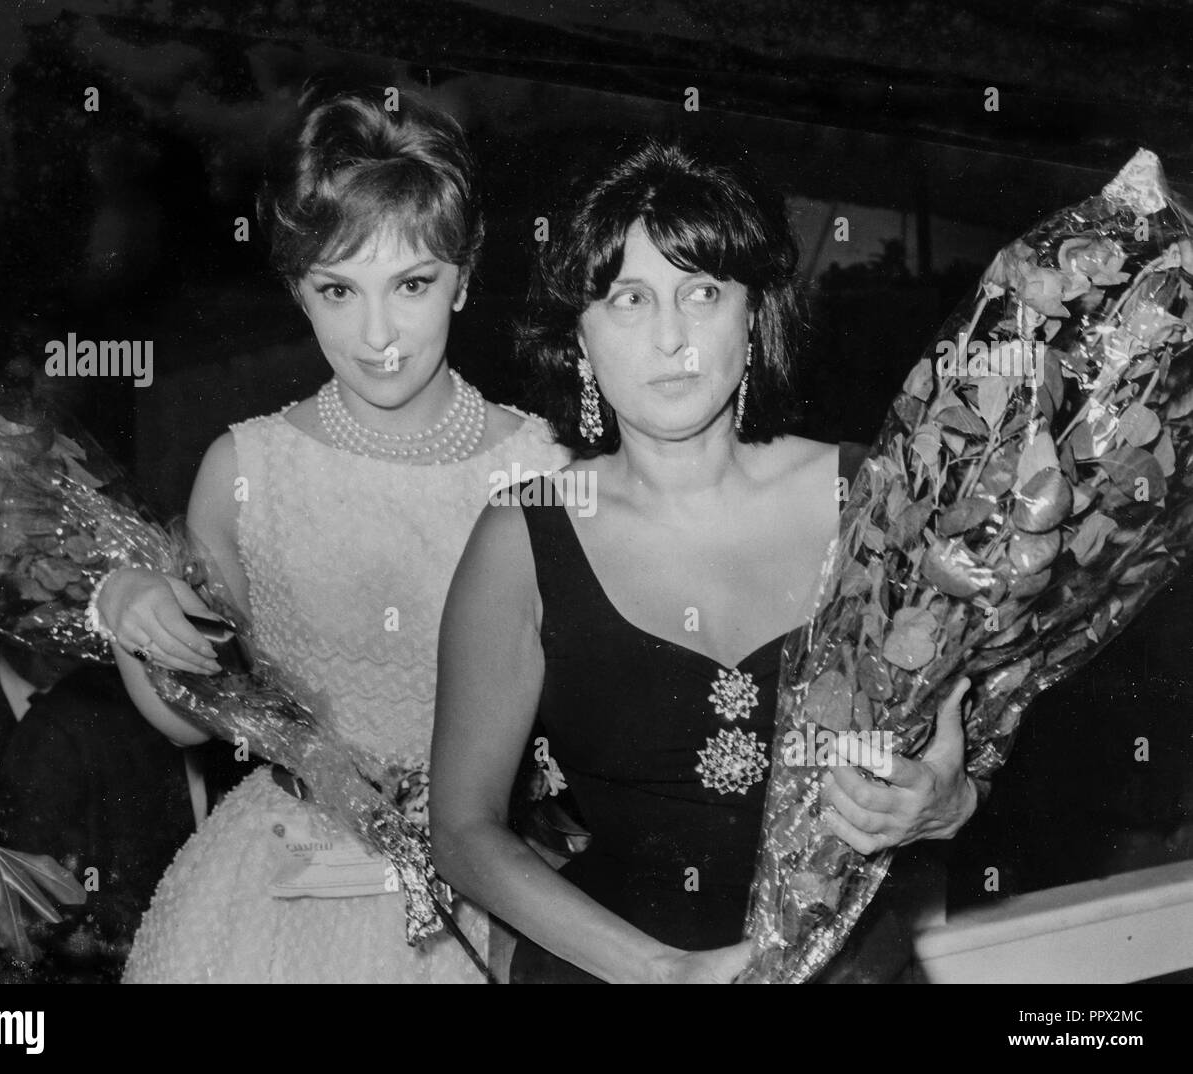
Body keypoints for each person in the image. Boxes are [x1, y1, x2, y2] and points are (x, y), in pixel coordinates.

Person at [430, 139, 979, 984]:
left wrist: (950, 798)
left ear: (752, 314)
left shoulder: (868, 492)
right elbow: (463, 830)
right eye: (627, 299)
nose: (671, 336)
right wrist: (656, 971)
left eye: (702, 291)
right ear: (578, 336)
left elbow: (970, 740)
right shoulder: (524, 538)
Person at [92, 86, 570, 983]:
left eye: (413, 284)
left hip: (484, 899)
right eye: (339, 289)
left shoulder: (539, 467)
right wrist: (128, 611)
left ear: (464, 277)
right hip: (277, 899)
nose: (378, 333)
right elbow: (189, 721)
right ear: (296, 292)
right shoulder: (244, 470)